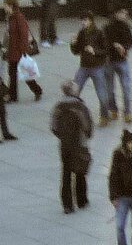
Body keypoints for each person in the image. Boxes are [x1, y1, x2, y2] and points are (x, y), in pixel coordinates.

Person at [52, 80, 96, 213]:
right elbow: (87, 126)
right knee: (80, 171)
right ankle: (82, 200)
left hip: (64, 145)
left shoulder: (58, 107)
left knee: (66, 172)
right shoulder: (79, 107)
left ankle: (67, 204)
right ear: (74, 91)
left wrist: (62, 137)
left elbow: (54, 127)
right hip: (79, 143)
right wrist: (87, 136)